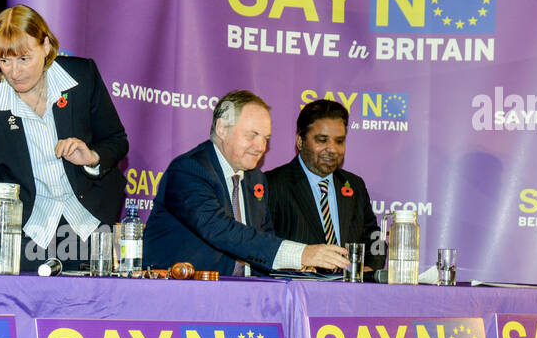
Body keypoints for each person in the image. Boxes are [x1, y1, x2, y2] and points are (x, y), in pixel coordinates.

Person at [0, 5, 128, 272]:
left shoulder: (82, 77)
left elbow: (116, 139)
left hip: (89, 223)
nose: (14, 72)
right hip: (26, 231)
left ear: (45, 46)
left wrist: (91, 157)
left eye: (24, 59)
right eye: (4, 60)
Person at [143, 91, 348, 275]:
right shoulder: (189, 170)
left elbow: (262, 239)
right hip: (182, 297)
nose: (261, 147)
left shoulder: (255, 178)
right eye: (252, 136)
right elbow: (220, 230)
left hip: (243, 298)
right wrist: (300, 254)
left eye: (266, 138)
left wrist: (298, 269)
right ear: (222, 128)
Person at [265, 98, 383, 273]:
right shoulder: (272, 184)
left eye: (339, 141)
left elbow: (374, 238)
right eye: (322, 140)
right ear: (300, 141)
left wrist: (370, 268)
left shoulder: (354, 185)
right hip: (297, 294)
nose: (333, 149)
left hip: (350, 294)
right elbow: (263, 246)